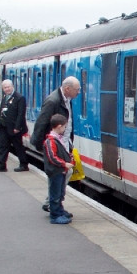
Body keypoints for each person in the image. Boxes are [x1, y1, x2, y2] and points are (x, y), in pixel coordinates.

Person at [31, 76, 81, 212]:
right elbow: (41, 122)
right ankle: (54, 205)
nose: (79, 92)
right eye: (77, 89)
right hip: (55, 144)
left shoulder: (66, 100)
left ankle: (55, 204)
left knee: (65, 172)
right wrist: (40, 145)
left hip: (64, 143)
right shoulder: (53, 101)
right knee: (60, 174)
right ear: (67, 88)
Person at [0, 79, 29, 172]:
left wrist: (17, 127)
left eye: (8, 87)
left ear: (12, 87)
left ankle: (24, 165)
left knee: (18, 146)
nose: (7, 89)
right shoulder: (5, 97)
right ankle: (1, 165)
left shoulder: (19, 98)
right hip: (4, 127)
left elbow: (21, 114)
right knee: (3, 146)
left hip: (14, 128)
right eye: (5, 87)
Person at [42, 114, 74, 224]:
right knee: (55, 194)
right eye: (65, 127)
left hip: (60, 171)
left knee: (60, 192)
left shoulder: (57, 139)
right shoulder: (50, 141)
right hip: (55, 171)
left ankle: (60, 211)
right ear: (59, 126)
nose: (65, 129)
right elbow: (52, 157)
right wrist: (64, 164)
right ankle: (55, 216)